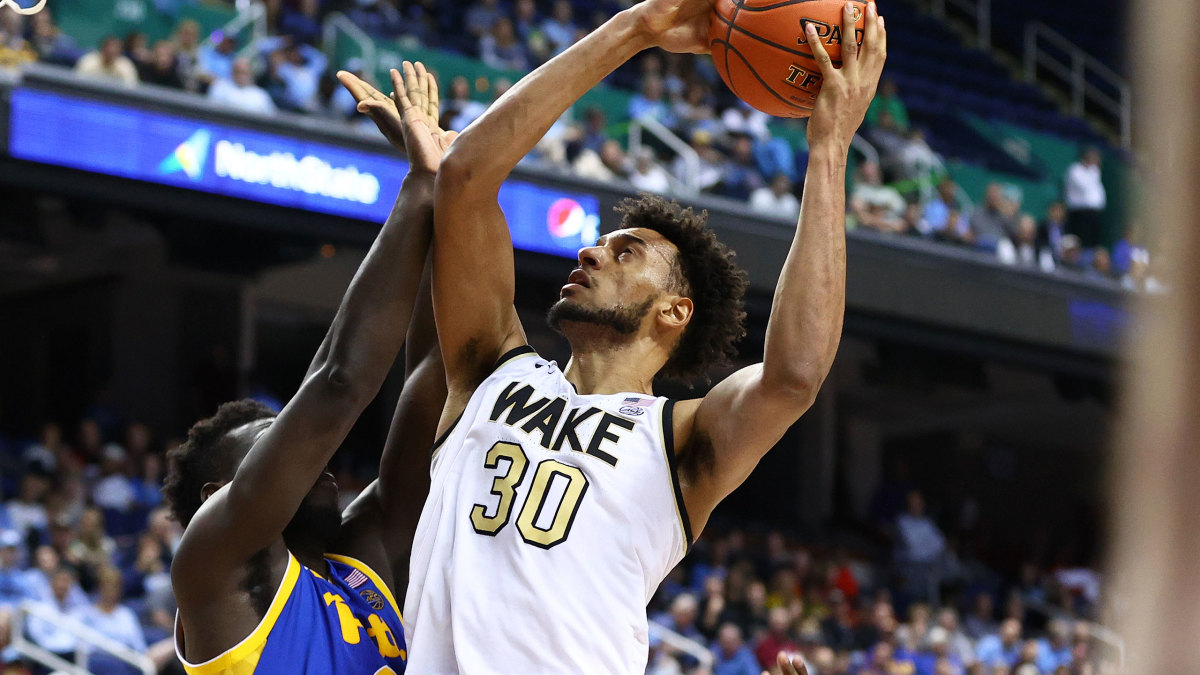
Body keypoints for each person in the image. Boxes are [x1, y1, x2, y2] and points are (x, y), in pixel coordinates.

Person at [402, 0, 887, 670]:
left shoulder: (682, 439)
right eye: (598, 246)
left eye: (625, 253)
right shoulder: (492, 369)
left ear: (674, 311)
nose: (590, 255)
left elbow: (794, 375)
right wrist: (636, 30)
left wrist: (829, 151)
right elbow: (464, 179)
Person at [166, 65, 452, 674]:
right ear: (219, 500)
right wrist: (421, 185)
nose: (313, 456)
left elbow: (434, 376)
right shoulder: (212, 567)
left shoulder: (359, 564)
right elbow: (337, 384)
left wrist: (452, 192)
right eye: (278, 446)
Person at [1063, 147, 1106, 248]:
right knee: (1080, 242)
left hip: (1093, 213)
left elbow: (1097, 192)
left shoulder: (1094, 171)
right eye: (1095, 159)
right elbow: (1085, 187)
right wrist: (1093, 171)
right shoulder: (1075, 170)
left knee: (1093, 243)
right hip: (1080, 213)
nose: (1097, 162)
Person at [207, 57, 277, 115]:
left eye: (244, 72)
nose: (241, 76)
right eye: (238, 72)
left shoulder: (261, 95)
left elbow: (271, 117)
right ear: (232, 72)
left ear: (250, 73)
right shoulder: (220, 87)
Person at [75, 35, 139, 87]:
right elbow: (77, 82)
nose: (111, 51)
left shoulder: (125, 66)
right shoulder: (88, 61)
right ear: (102, 48)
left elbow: (131, 88)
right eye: (109, 49)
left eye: (115, 50)